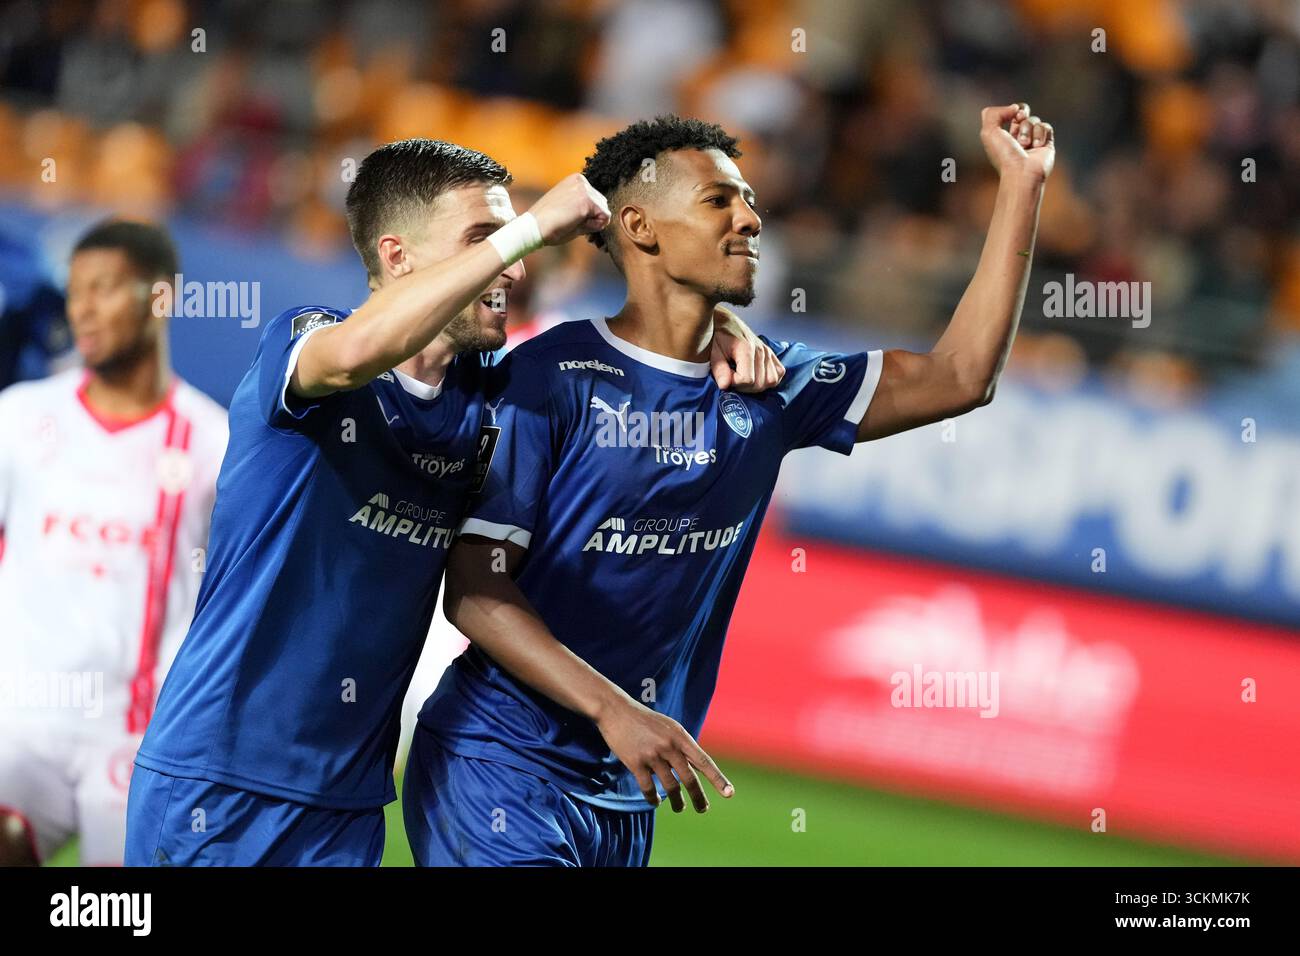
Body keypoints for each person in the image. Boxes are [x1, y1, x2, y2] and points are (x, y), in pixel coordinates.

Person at [406, 105, 1055, 866]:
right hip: (498, 766)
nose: (750, 218)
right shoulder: (551, 378)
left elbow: (960, 376)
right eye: (719, 200)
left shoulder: (771, 382)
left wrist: (1021, 185)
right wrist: (616, 710)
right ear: (641, 227)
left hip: (624, 794)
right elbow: (478, 590)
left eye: (749, 200)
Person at [126, 138, 778, 866]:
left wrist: (720, 322)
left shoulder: (487, 395)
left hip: (349, 802)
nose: (514, 266)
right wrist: (528, 228)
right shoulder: (306, 347)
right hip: (219, 780)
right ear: (398, 256)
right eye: (485, 239)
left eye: (510, 240)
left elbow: (638, 330)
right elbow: (351, 355)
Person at [0, 219, 229, 865]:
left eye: (104, 289)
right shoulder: (20, 417)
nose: (83, 310)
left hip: (138, 742)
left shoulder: (214, 445)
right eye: (75, 291)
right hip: (17, 724)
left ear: (160, 298)